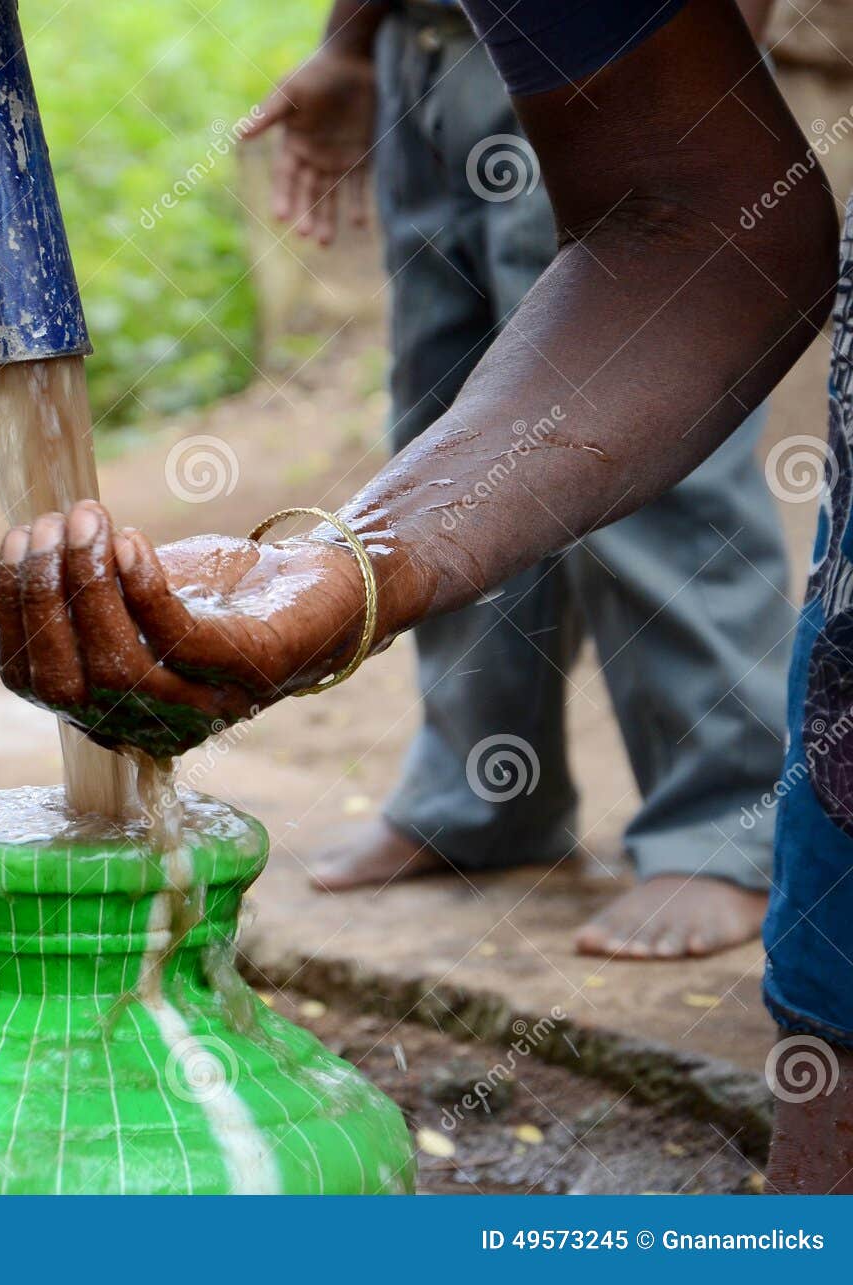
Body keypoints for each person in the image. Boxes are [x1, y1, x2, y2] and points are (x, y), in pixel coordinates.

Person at [0, 0, 852, 1191]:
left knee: (654, 486)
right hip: (456, 49)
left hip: (597, 72)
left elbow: (697, 217)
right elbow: (684, 233)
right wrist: (348, 569)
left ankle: (712, 818)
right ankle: (482, 788)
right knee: (450, 402)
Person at [235, 0, 794, 963]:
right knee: (445, 431)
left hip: (614, 56)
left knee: (637, 420)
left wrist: (703, 55)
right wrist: (350, 44)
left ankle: (724, 824)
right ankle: (485, 793)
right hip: (429, 50)